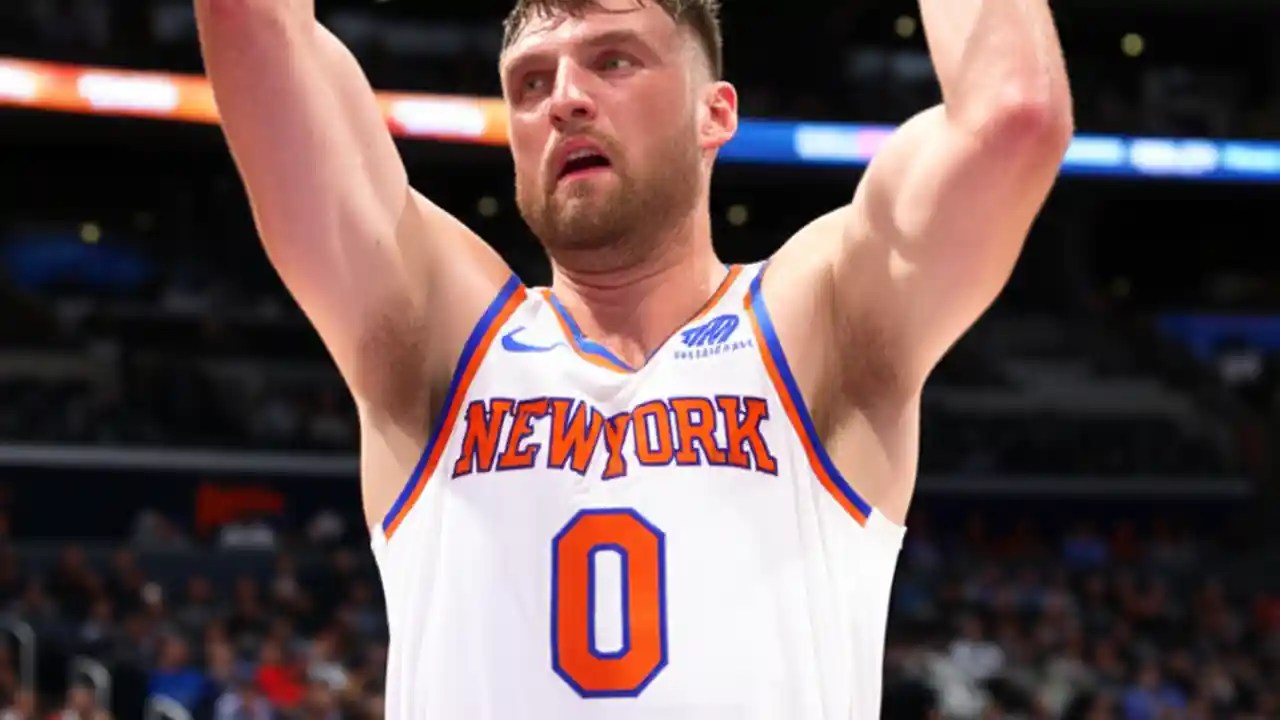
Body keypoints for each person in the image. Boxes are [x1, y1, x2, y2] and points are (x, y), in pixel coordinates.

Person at [194, 0, 1072, 716]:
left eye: (613, 61)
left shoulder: (821, 322)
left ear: (714, 113)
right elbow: (250, 22)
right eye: (531, 82)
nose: (565, 100)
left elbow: (1013, 115)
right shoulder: (436, 333)